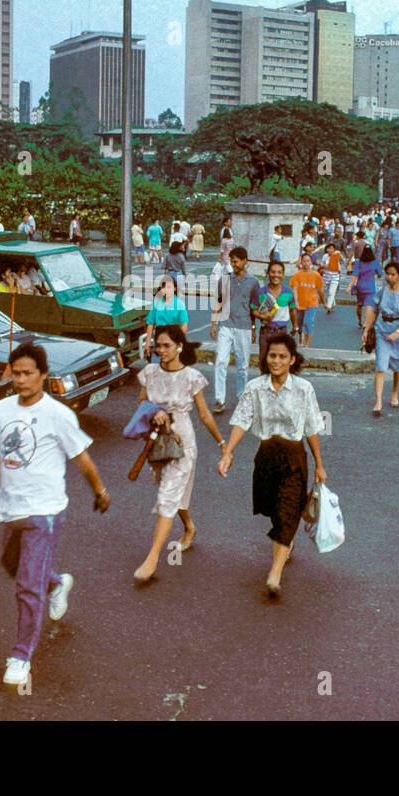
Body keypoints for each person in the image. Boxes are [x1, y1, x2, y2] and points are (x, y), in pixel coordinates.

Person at [0, 343, 110, 688]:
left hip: (46, 511)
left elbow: (82, 459)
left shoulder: (58, 414)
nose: (20, 380)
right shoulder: (2, 411)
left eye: (28, 373)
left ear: (43, 376)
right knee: (15, 568)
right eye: (16, 373)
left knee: (26, 586)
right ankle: (56, 583)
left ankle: (21, 656)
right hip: (11, 511)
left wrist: (99, 491)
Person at [217, 333, 325, 599]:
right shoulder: (255, 387)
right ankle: (285, 545)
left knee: (289, 509)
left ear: (292, 360)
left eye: (282, 356)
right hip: (266, 457)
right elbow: (242, 420)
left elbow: (311, 428)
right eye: (272, 356)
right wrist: (228, 453)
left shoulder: (303, 389)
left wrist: (320, 465)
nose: (276, 361)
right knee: (276, 512)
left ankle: (274, 573)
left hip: (294, 457)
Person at [132, 326, 226, 582]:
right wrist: (154, 412)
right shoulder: (150, 373)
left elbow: (205, 414)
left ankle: (151, 560)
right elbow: (141, 403)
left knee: (167, 496)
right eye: (157, 346)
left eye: (166, 346)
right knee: (170, 491)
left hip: (182, 442)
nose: (161, 351)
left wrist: (222, 443)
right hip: (157, 441)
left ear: (179, 347)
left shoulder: (191, 377)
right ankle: (189, 527)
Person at [210, 247, 260, 414]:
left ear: (245, 261)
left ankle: (241, 397)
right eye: (231, 261)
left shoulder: (253, 282)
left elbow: (254, 307)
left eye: (236, 261)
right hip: (225, 325)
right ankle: (219, 399)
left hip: (243, 327)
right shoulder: (224, 280)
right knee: (220, 362)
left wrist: (253, 328)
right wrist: (214, 322)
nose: (233, 264)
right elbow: (218, 301)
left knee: (242, 366)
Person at [364, 261, 399, 417]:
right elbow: (372, 309)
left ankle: (394, 394)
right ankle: (378, 401)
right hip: (382, 330)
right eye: (387, 274)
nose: (389, 277)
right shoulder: (382, 292)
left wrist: (398, 332)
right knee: (380, 366)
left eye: (392, 274)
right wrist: (367, 329)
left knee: (398, 367)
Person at [254, 260, 296, 364]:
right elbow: (253, 310)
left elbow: (292, 310)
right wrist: (262, 317)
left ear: (283, 275)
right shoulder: (261, 292)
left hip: (282, 332)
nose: (276, 275)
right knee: (264, 362)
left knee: (279, 363)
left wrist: (295, 326)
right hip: (266, 332)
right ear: (268, 273)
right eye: (273, 272)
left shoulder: (288, 292)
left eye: (279, 272)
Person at [143, 275, 189, 362]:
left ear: (174, 289)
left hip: (173, 336)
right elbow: (150, 323)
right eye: (163, 287)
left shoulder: (179, 304)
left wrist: (178, 339)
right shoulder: (157, 303)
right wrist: (147, 342)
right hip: (159, 336)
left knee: (172, 365)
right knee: (156, 364)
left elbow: (184, 324)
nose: (166, 290)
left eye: (169, 287)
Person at [290, 252, 324, 349]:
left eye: (308, 261)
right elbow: (295, 289)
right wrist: (296, 302)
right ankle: (300, 337)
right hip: (300, 304)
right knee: (300, 324)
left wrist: (324, 302)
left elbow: (320, 290)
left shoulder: (316, 275)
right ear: (301, 262)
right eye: (304, 261)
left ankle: (307, 344)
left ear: (311, 262)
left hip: (312, 303)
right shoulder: (297, 275)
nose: (306, 263)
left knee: (308, 322)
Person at [347, 245, 380, 329]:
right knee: (369, 305)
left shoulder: (358, 262)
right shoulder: (375, 262)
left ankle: (359, 321)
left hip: (360, 287)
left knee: (359, 305)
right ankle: (366, 323)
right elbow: (380, 274)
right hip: (371, 287)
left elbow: (355, 275)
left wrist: (349, 286)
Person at [321, 242, 343, 313]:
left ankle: (329, 307)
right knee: (327, 291)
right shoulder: (325, 256)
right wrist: (324, 267)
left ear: (334, 250)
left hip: (335, 277)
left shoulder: (336, 256)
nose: (330, 250)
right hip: (326, 276)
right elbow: (322, 264)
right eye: (328, 248)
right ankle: (333, 303)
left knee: (331, 292)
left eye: (331, 248)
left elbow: (339, 268)